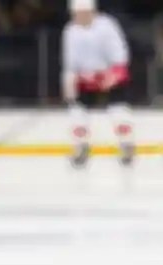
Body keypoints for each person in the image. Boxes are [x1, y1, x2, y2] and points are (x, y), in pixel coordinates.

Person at [61, 0, 133, 167]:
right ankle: (80, 146)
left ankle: (126, 145)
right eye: (76, 14)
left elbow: (120, 54)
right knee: (77, 112)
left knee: (118, 110)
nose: (80, 17)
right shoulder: (70, 30)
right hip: (85, 78)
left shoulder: (107, 26)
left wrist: (112, 76)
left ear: (92, 11)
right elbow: (70, 62)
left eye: (83, 13)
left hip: (109, 74)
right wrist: (68, 83)